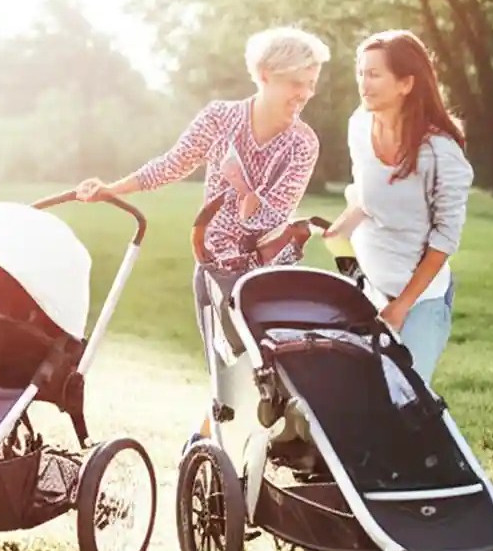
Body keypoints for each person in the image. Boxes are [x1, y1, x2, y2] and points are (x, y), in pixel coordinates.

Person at [75, 26, 329, 444]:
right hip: (214, 268)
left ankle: (218, 445)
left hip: (267, 273)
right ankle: (213, 449)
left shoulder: (303, 143)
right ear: (265, 74)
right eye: (295, 83)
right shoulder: (220, 118)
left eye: (311, 86)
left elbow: (272, 215)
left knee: (267, 375)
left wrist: (244, 193)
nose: (304, 94)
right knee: (229, 375)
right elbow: (173, 164)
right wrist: (111, 188)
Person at [323, 29, 473, 384]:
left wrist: (402, 305)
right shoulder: (359, 126)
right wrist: (339, 230)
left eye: (374, 74)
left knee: (406, 399)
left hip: (420, 299)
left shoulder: (440, 151)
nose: (364, 82)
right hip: (368, 288)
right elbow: (366, 195)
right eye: (360, 72)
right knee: (355, 395)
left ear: (406, 83)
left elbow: (445, 240)